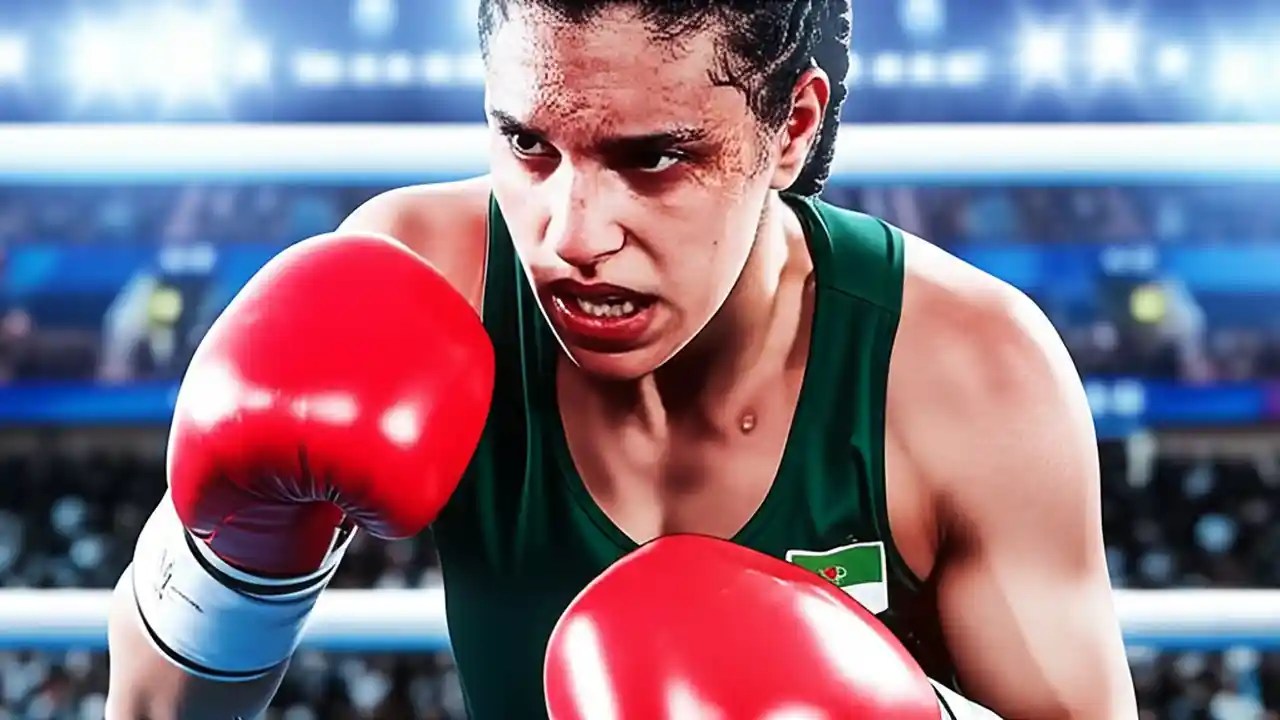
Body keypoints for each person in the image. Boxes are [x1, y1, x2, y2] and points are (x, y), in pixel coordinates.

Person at [105, 1, 1140, 718]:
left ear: (792, 128)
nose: (570, 234)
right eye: (526, 145)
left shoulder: (967, 374)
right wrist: (237, 555)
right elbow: (155, 710)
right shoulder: (425, 279)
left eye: (652, 158)